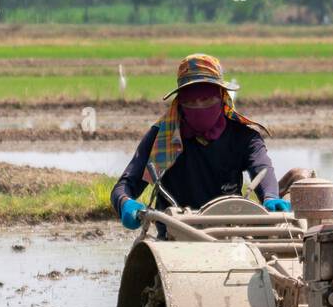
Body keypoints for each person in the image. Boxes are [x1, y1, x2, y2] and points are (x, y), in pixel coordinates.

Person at [110, 53, 289, 230]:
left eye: (206, 99)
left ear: (221, 96)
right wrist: (126, 203)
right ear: (180, 103)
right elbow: (124, 186)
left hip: (230, 233)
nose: (199, 107)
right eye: (191, 102)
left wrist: (271, 197)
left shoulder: (243, 136)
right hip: (173, 236)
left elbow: (262, 168)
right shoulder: (162, 138)